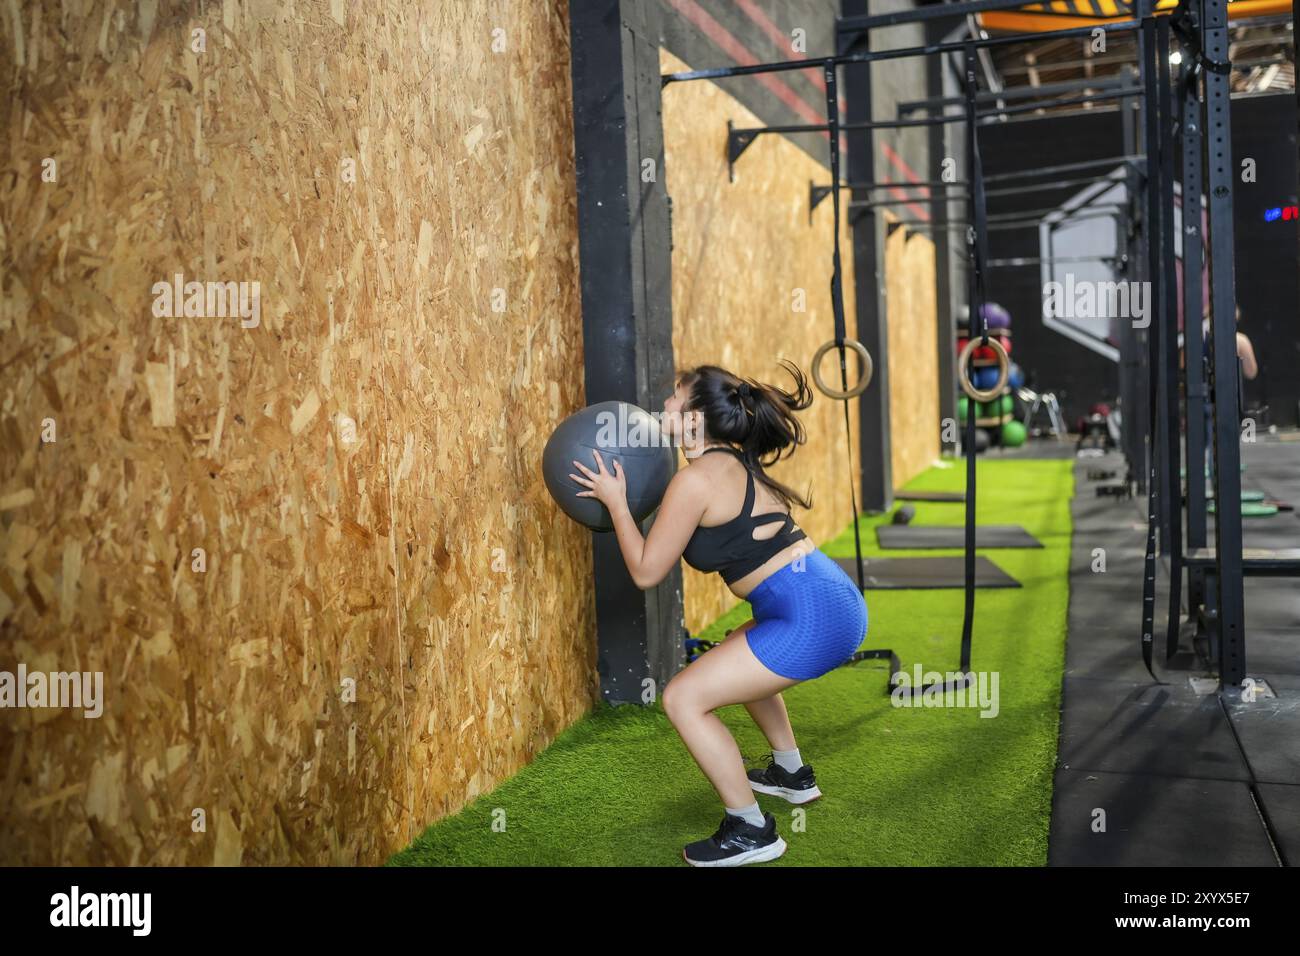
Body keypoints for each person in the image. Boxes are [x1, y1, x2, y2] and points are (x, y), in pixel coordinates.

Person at [566, 362, 868, 867]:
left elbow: (645, 571)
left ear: (696, 416)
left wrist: (617, 504)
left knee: (683, 698)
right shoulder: (731, 463)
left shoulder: (697, 480)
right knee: (737, 647)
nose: (664, 405)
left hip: (813, 616)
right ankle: (790, 773)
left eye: (674, 397)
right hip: (828, 600)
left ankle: (751, 829)